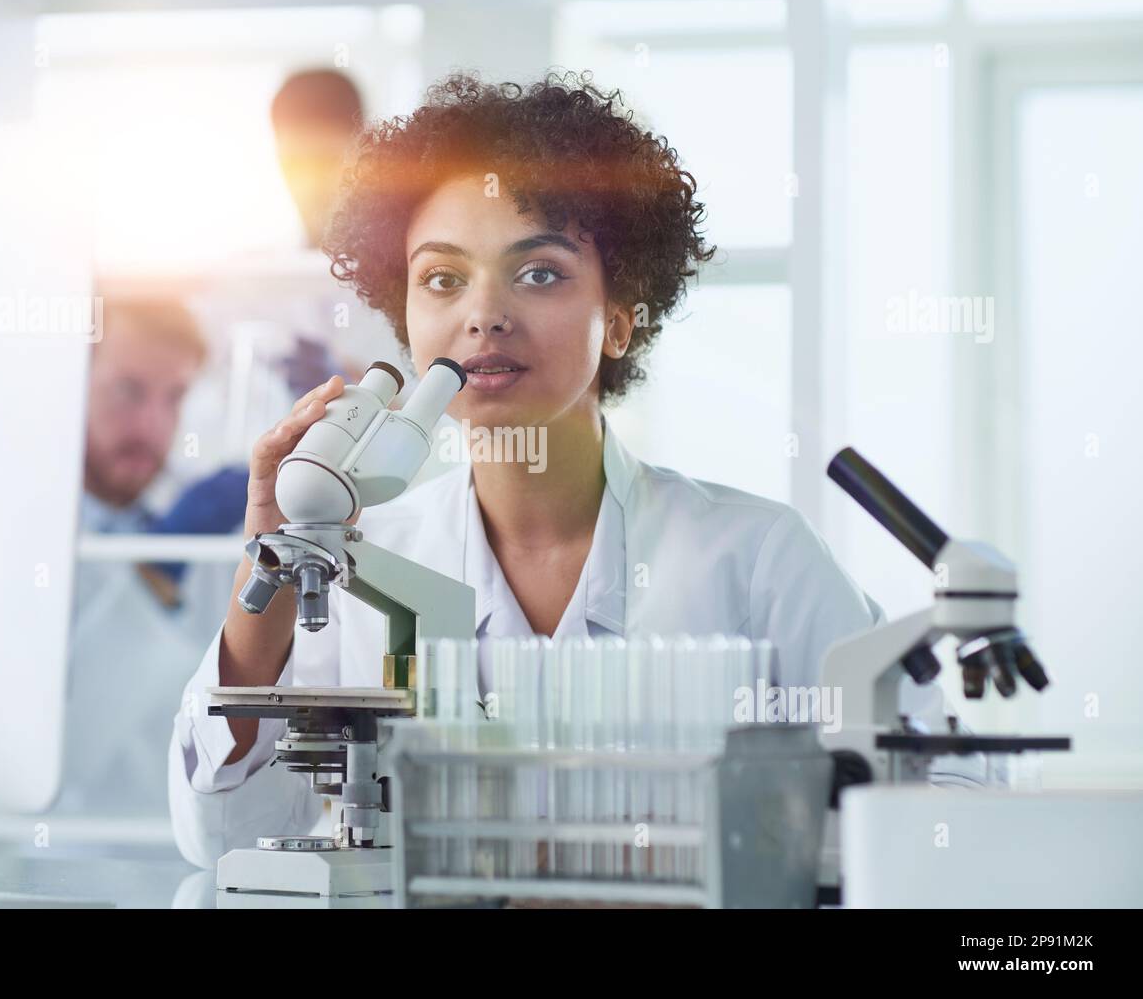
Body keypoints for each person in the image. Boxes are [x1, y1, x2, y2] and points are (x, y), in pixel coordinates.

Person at [167, 71, 949, 869]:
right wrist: (264, 561)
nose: (484, 313)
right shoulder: (362, 563)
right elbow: (219, 839)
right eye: (442, 278)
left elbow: (939, 799)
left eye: (538, 272)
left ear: (619, 319)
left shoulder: (756, 558)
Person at [58, 298, 246, 817]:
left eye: (174, 397)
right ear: (70, 375)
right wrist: (153, 577)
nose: (152, 424)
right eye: (128, 390)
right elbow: (62, 749)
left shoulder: (204, 522)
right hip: (60, 864)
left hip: (180, 864)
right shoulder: (27, 532)